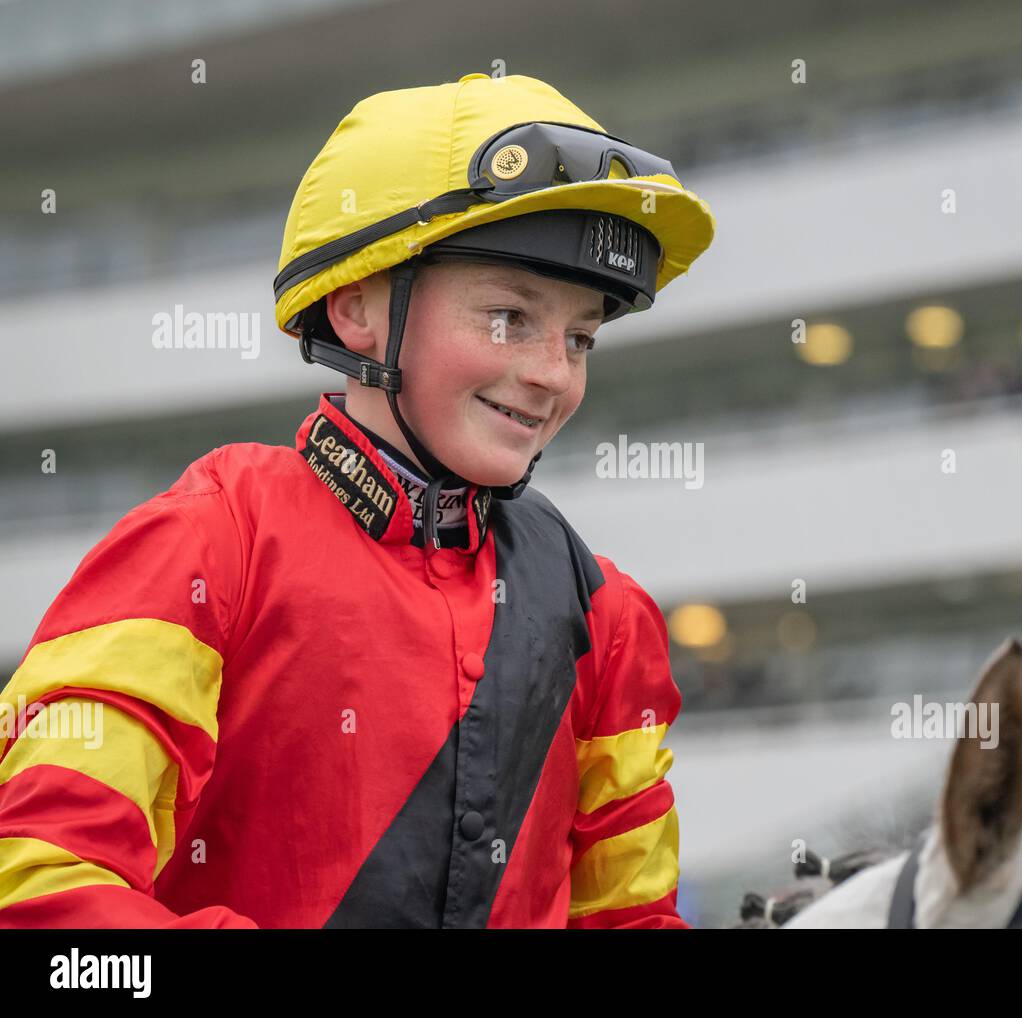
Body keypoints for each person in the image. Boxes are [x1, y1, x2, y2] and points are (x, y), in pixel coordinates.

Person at [0, 72, 716, 928]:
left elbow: (631, 920)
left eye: (580, 337)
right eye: (508, 319)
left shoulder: (608, 618)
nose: (553, 375)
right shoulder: (202, 545)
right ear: (357, 309)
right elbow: (43, 895)